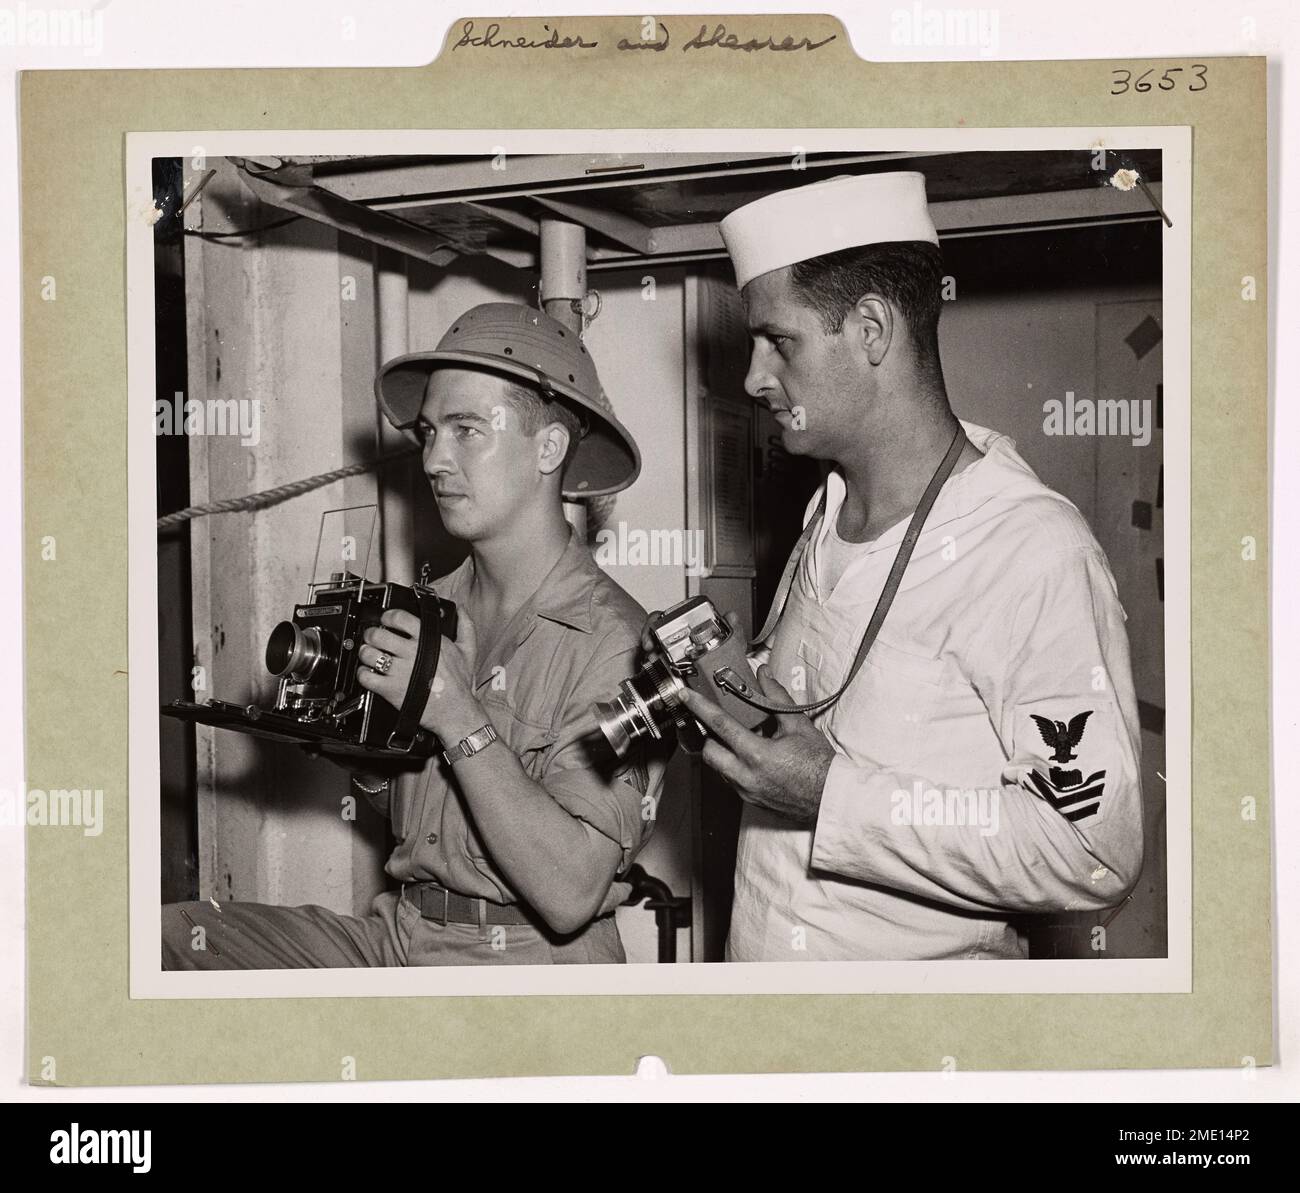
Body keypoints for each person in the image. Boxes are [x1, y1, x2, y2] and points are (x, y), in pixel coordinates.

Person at [678, 171, 1144, 961]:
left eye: (777, 341)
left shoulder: (1029, 549)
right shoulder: (826, 511)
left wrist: (832, 794)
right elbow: (813, 722)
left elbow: (1093, 848)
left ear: (869, 330)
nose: (754, 377)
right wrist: (730, 688)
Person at [163, 302, 668, 968]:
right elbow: (422, 817)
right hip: (403, 934)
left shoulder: (619, 642)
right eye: (429, 432)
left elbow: (571, 890)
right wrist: (362, 750)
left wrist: (459, 714)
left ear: (549, 447)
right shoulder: (432, 605)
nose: (433, 459)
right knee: (164, 939)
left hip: (530, 964)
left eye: (465, 430)